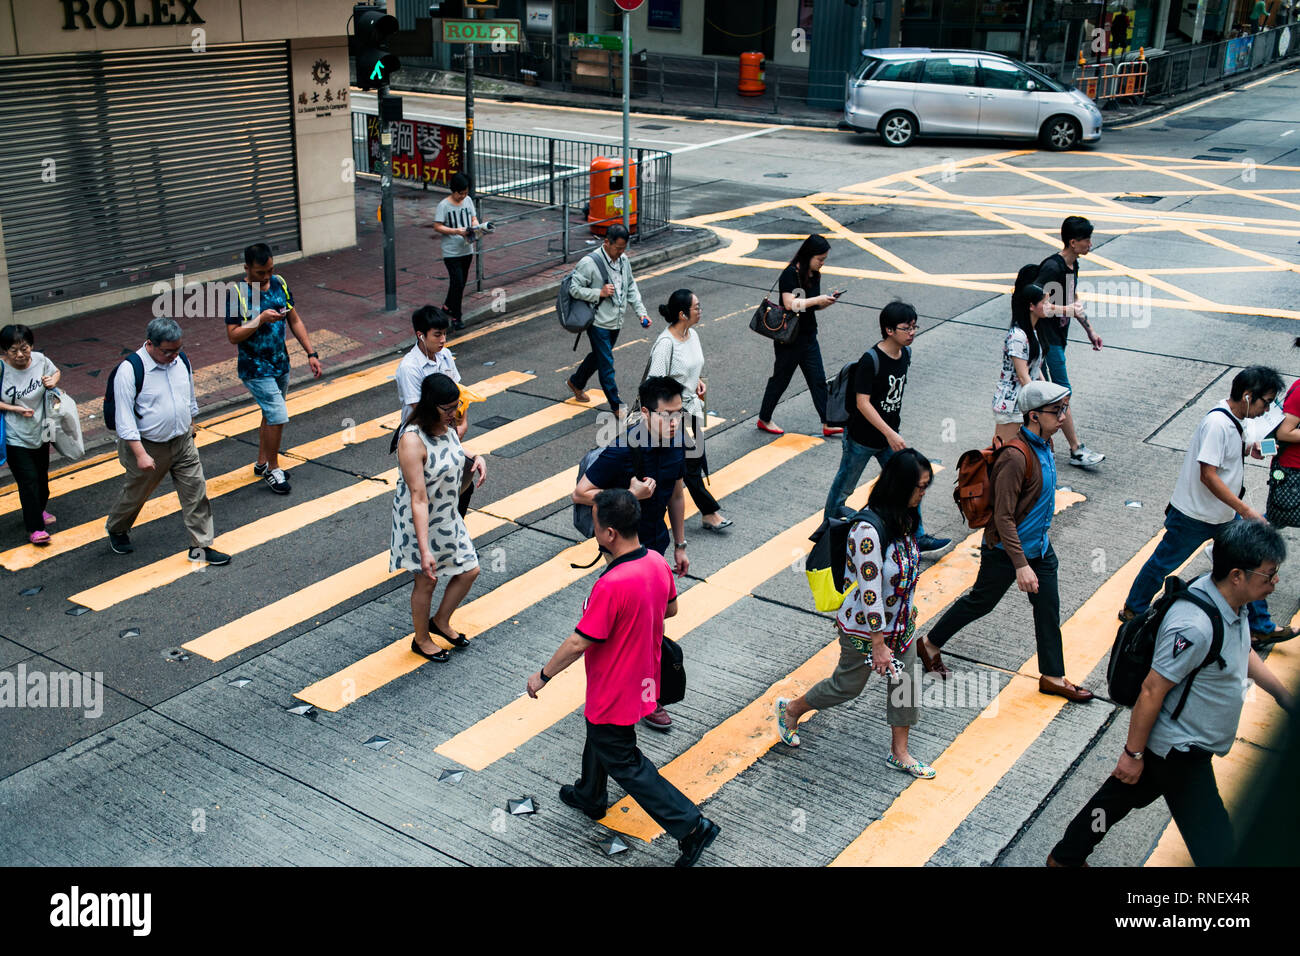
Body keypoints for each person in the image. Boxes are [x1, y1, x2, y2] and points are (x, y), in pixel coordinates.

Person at [1049, 521, 1296, 867]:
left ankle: (1066, 857)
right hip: (1180, 750)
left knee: (1117, 799)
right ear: (1237, 574)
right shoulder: (1194, 626)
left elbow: (1239, 650)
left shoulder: (1227, 601)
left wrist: (1282, 696)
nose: (1275, 583)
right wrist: (1132, 753)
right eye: (1269, 575)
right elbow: (1152, 689)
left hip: (1177, 745)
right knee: (1217, 848)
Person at [526, 488, 720, 867]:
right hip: (641, 677)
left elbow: (579, 641)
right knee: (599, 734)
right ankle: (591, 795)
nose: (594, 531)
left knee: (625, 759)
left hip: (616, 685)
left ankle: (692, 826)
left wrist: (543, 675)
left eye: (596, 525)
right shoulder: (655, 563)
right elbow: (671, 608)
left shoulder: (611, 584)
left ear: (610, 533)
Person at [915, 381, 1094, 702]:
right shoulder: (1015, 456)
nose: (1064, 417)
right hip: (1006, 550)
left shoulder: (1045, 445)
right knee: (981, 602)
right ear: (1035, 416)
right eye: (1058, 411)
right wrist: (1021, 565)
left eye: (1065, 409)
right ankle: (929, 643)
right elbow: (1003, 517)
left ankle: (1053, 675)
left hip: (1039, 547)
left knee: (1048, 608)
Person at [777, 449, 937, 778]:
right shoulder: (868, 531)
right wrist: (878, 644)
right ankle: (792, 709)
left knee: (905, 683)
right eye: (920, 487)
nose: (923, 493)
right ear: (900, 485)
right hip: (865, 632)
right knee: (846, 687)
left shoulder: (905, 517)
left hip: (901, 626)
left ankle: (900, 752)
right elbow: (869, 591)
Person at [1120, 367, 1284, 631]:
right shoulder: (1217, 424)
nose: (1267, 410)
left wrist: (1254, 447)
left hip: (1221, 515)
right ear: (1247, 396)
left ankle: (1259, 627)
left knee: (1246, 561)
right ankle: (1134, 610)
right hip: (1194, 516)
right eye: (1266, 402)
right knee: (1162, 563)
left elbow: (1228, 454)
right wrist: (1245, 510)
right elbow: (1208, 475)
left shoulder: (1236, 419)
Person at [574, 375, 689, 732]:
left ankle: (627, 668)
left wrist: (681, 544)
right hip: (624, 550)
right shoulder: (623, 449)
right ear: (644, 413)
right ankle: (646, 699)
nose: (674, 421)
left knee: (660, 616)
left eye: (679, 413)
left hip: (657, 543)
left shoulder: (679, 441)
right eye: (666, 414)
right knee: (646, 627)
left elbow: (677, 493)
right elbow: (581, 493)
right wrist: (628, 494)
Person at [822, 300, 951, 556]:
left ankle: (919, 536)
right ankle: (827, 529)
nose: (912, 332)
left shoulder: (905, 354)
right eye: (906, 327)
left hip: (890, 438)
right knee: (844, 487)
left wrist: (892, 434)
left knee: (911, 483)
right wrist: (889, 433)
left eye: (914, 326)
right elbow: (862, 403)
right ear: (889, 330)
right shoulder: (870, 360)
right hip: (862, 438)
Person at [106, 318, 229, 566]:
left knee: (196, 491)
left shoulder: (181, 360)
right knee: (137, 494)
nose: (173, 356)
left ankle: (201, 546)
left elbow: (189, 394)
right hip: (147, 445)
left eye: (177, 349)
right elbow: (124, 419)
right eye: (167, 351)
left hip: (182, 441)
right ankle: (117, 527)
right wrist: (140, 454)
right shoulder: (130, 370)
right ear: (150, 344)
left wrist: (190, 424)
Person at [391, 373, 485, 663]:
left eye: (456, 407)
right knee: (426, 582)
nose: (454, 414)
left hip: (447, 514)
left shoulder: (445, 426)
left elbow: (452, 449)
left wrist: (475, 456)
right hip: (420, 522)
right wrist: (424, 549)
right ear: (431, 407)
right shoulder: (411, 441)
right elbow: (418, 498)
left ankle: (440, 621)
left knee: (469, 570)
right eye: (448, 409)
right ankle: (421, 639)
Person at [225, 242, 322, 495]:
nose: (266, 277)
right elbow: (233, 336)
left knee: (270, 414)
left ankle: (261, 463)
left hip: (281, 363)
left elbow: (295, 319)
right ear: (247, 268)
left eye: (269, 270)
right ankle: (273, 468)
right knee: (278, 415)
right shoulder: (237, 293)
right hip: (255, 367)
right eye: (260, 272)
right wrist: (260, 320)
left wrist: (310, 352)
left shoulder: (279, 282)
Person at [646, 289, 731, 532]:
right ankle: (709, 512)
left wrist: (696, 381)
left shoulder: (691, 334)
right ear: (683, 314)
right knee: (690, 461)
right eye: (696, 307)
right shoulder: (665, 344)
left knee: (691, 460)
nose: (700, 311)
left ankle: (705, 511)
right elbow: (655, 385)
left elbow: (692, 367)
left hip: (690, 408)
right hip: (672, 415)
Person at [1034, 217, 1105, 468]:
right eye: (1086, 240)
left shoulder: (1072, 265)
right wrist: (1069, 309)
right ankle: (1076, 449)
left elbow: (1073, 298)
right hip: (1045, 340)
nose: (1090, 244)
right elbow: (1039, 306)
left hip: (1059, 338)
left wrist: (1090, 330)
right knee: (1062, 392)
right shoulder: (1052, 268)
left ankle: (1038, 442)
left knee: (1043, 394)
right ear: (1073, 242)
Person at [757, 234, 844, 438]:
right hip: (789, 338)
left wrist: (825, 302)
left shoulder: (814, 274)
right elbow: (790, 304)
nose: (822, 263)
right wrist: (817, 300)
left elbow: (809, 307)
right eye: (820, 259)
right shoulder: (790, 273)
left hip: (808, 335)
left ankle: (828, 422)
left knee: (818, 379)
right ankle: (764, 418)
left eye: (824, 259)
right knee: (781, 379)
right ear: (808, 255)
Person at [565, 223, 649, 419]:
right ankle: (616, 404)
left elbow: (630, 288)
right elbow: (574, 289)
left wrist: (641, 313)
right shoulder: (589, 263)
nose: (620, 252)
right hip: (598, 322)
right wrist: (598, 292)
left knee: (599, 356)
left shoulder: (623, 261)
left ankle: (576, 382)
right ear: (606, 242)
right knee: (606, 363)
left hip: (616, 321)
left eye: (623, 248)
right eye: (617, 248)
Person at [1249, 345, 1300, 648]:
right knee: (1273, 523)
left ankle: (1231, 545)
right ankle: (1230, 546)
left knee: (1271, 525)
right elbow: (1284, 432)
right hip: (1293, 476)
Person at [1, 324, 60, 545]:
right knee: (28, 480)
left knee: (42, 478)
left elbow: (55, 372)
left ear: (31, 346)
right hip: (14, 434)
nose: (19, 355)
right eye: (12, 350)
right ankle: (35, 528)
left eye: (24, 348)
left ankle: (38, 508)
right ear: (4, 351)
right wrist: (14, 409)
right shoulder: (1, 368)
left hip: (42, 428)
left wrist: (54, 381)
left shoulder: (40, 360)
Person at [993, 269, 1049, 445]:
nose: (1049, 306)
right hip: (1011, 404)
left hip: (1023, 402)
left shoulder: (1032, 331)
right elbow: (1023, 376)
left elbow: (1034, 369)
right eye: (1044, 303)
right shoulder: (1018, 336)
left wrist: (1048, 391)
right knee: (1003, 452)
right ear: (1031, 306)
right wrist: (1040, 402)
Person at [432, 172, 480, 332]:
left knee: (460, 284)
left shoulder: (468, 201)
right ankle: (456, 317)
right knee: (457, 282)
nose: (463, 196)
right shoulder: (444, 205)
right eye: (461, 193)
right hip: (451, 252)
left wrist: (476, 224)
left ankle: (447, 307)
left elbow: (473, 217)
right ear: (454, 190)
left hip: (467, 249)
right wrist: (456, 231)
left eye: (466, 193)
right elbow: (437, 226)